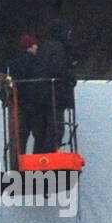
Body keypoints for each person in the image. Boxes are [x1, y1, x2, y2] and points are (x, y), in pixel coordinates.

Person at [0, 34, 45, 157]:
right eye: (35, 44)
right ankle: (36, 168)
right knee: (40, 136)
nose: (37, 47)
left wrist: (6, 99)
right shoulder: (39, 62)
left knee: (19, 139)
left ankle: (17, 169)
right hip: (36, 105)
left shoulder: (11, 63)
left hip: (18, 105)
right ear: (30, 46)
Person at [33, 19, 77, 153]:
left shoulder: (43, 48)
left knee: (41, 132)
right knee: (56, 129)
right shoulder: (58, 48)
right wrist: (71, 75)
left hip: (40, 97)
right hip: (55, 96)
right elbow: (57, 68)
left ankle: (38, 162)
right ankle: (49, 162)